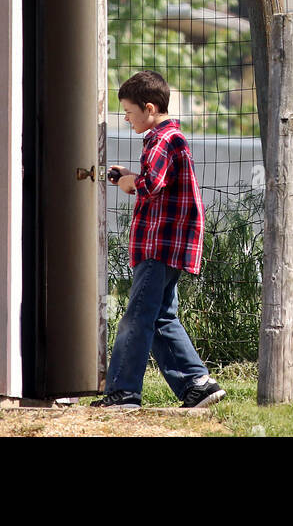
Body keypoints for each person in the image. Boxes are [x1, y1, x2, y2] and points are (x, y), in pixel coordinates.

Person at [90, 70, 225, 410]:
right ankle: (197, 385)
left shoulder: (163, 140)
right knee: (161, 316)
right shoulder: (168, 139)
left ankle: (123, 392)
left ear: (149, 108)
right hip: (167, 248)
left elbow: (151, 185)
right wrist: (131, 176)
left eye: (129, 111)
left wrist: (130, 182)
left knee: (136, 316)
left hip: (159, 247)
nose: (125, 117)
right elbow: (155, 179)